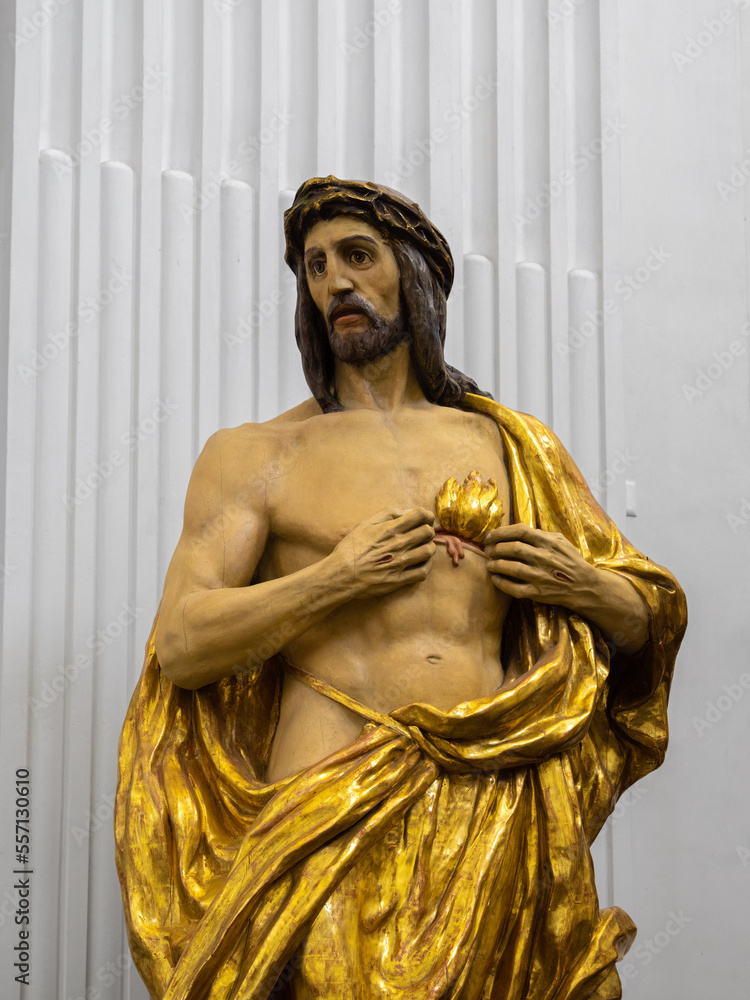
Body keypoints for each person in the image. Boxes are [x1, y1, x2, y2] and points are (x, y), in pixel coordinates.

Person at [115, 177, 687, 1000]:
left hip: (498, 809)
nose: (334, 283)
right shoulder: (258, 457)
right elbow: (185, 642)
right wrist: (333, 580)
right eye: (314, 268)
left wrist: (586, 585)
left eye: (357, 256)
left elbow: (644, 626)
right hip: (330, 809)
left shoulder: (511, 445)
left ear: (411, 275)